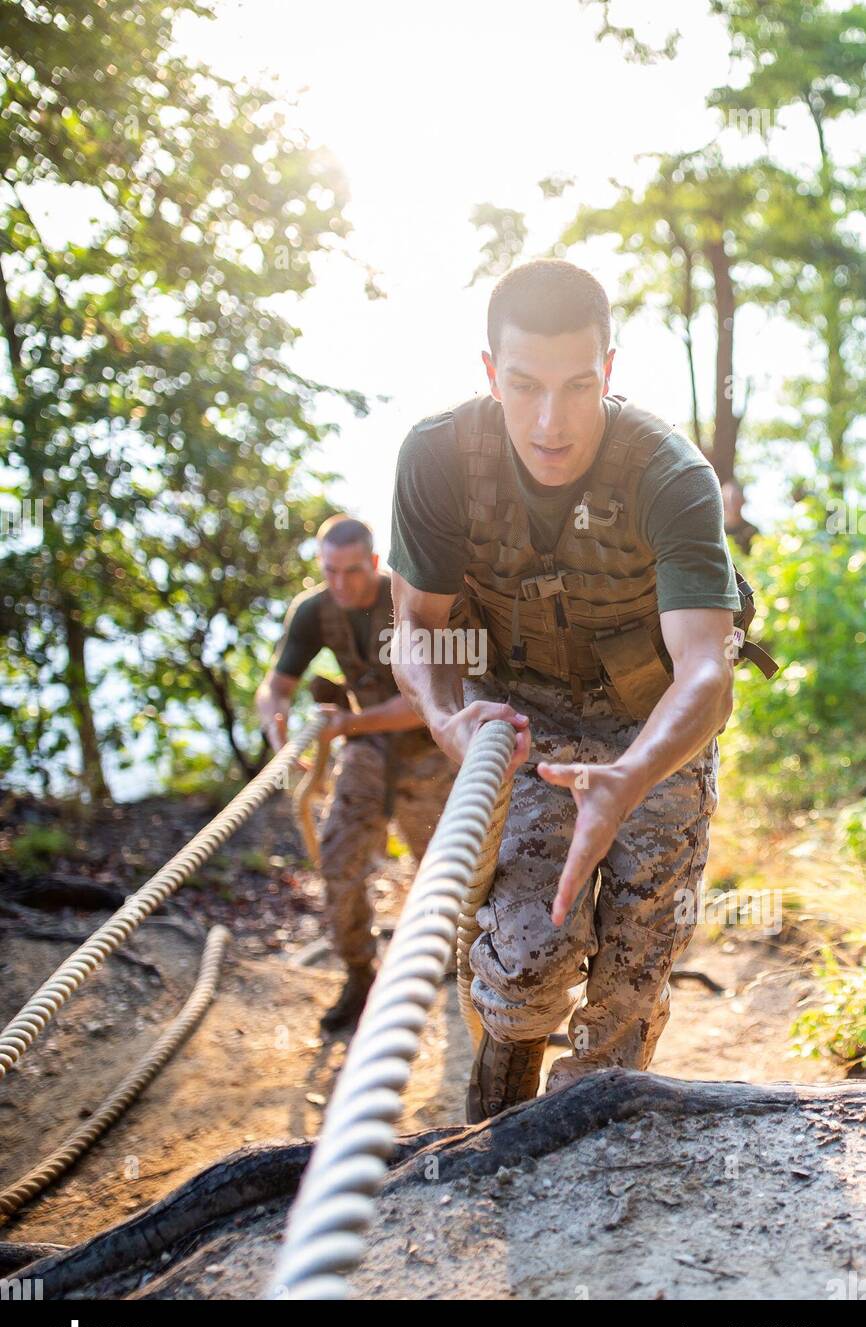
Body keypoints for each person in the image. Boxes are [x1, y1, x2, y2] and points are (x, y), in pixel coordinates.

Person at [387, 258, 774, 1121]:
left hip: (656, 728)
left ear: (611, 369)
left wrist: (631, 775)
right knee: (524, 963)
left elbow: (706, 670)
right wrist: (452, 722)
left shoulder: (668, 475)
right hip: (522, 722)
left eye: (578, 385)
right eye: (523, 385)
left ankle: (593, 1166)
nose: (551, 422)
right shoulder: (440, 458)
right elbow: (417, 626)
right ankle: (494, 1134)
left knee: (632, 982)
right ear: (490, 372)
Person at [255, 514, 455, 1032]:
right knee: (339, 858)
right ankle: (360, 974)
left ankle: (465, 972)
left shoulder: (409, 600)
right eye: (330, 571)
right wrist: (275, 722)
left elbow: (428, 700)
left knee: (443, 872)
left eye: (351, 571)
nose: (340, 583)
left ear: (372, 563)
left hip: (430, 747)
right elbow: (274, 686)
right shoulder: (314, 611)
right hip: (366, 750)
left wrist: (348, 724)